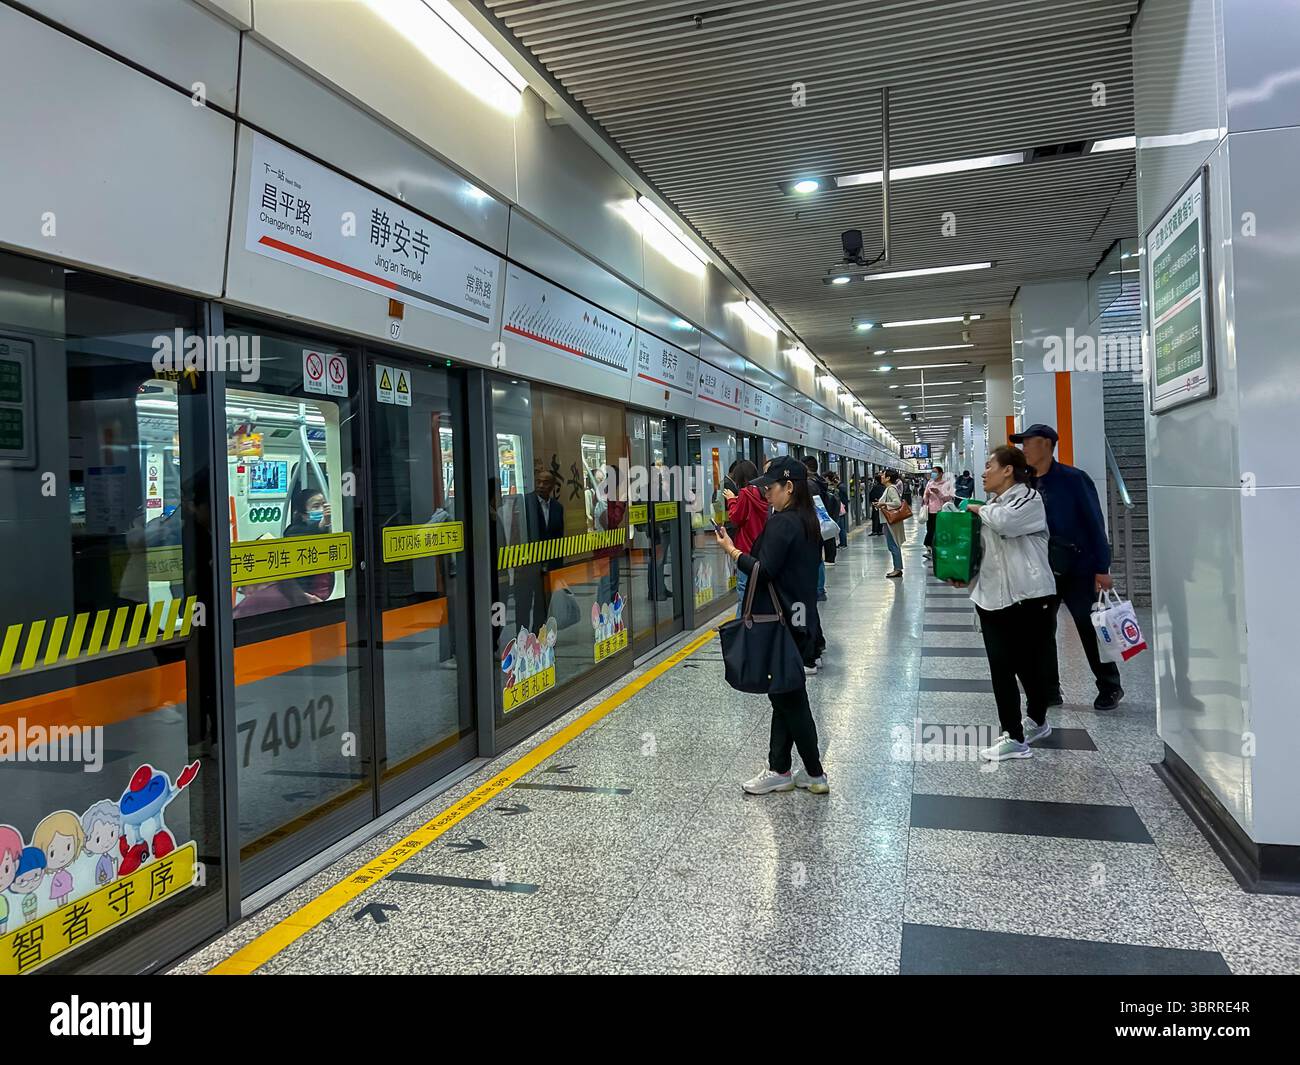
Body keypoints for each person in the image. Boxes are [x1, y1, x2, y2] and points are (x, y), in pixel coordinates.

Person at [714, 456, 828, 795]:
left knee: (791, 699)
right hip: (800, 617)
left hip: (781, 625)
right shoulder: (808, 521)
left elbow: (764, 570)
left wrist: (732, 551)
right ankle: (781, 767)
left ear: (789, 487)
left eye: (771, 488)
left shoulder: (784, 523)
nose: (766, 494)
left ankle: (814, 772)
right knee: (784, 694)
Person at [949, 446, 1058, 761]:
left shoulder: (1028, 500)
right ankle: (1013, 734)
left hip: (1029, 597)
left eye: (989, 466)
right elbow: (986, 555)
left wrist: (976, 509)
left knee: (1029, 666)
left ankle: (1037, 719)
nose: (984, 473)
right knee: (1000, 667)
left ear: (1008, 470)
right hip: (992, 598)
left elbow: (1006, 524)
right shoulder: (991, 506)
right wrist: (965, 578)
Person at [1011, 424, 1124, 710]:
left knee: (1089, 626)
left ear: (1047, 444)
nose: (1024, 448)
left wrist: (1102, 566)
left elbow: (1094, 522)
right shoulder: (1025, 483)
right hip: (1041, 570)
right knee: (1041, 631)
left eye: (1029, 442)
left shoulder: (1074, 479)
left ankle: (1110, 685)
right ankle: (1050, 690)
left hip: (1078, 568)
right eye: (1021, 443)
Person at [723, 458, 766, 617]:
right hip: (761, 547)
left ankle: (742, 625)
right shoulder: (764, 491)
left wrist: (731, 500)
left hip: (745, 548)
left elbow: (735, 518)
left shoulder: (745, 493)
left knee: (743, 590)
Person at [284, 486, 336, 601]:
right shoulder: (293, 531)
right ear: (303, 515)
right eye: (316, 506)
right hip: (308, 596)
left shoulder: (333, 530)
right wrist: (322, 524)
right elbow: (303, 534)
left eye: (324, 504)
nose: (322, 509)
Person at [801, 456, 833, 596]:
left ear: (806, 468)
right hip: (818, 524)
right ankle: (819, 589)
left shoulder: (809, 484)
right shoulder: (820, 481)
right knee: (817, 556)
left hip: (812, 524)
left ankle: (818, 590)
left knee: (814, 557)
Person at [874, 470, 906, 578]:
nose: (881, 477)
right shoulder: (889, 489)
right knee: (893, 545)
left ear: (888, 478)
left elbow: (897, 503)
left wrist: (883, 504)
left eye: (883, 475)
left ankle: (897, 569)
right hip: (888, 521)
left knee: (893, 545)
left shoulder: (891, 489)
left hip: (891, 522)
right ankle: (897, 568)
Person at [921, 466, 954, 560]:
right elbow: (925, 498)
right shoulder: (930, 483)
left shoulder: (947, 484)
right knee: (930, 530)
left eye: (935, 472)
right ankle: (929, 549)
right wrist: (926, 495)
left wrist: (938, 493)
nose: (933, 474)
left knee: (940, 531)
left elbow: (948, 498)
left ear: (941, 473)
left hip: (942, 511)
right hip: (931, 510)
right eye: (932, 472)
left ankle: (940, 550)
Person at [834, 473, 850, 547]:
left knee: (841, 527)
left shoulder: (840, 488)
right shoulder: (842, 486)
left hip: (840, 510)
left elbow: (842, 499)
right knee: (841, 527)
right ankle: (843, 543)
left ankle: (843, 543)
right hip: (842, 509)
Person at [868, 471, 885, 535]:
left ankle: (874, 531)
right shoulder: (884, 487)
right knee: (880, 517)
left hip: (876, 504)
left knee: (875, 517)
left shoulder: (876, 487)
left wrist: (872, 500)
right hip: (882, 504)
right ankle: (880, 530)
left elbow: (871, 495)